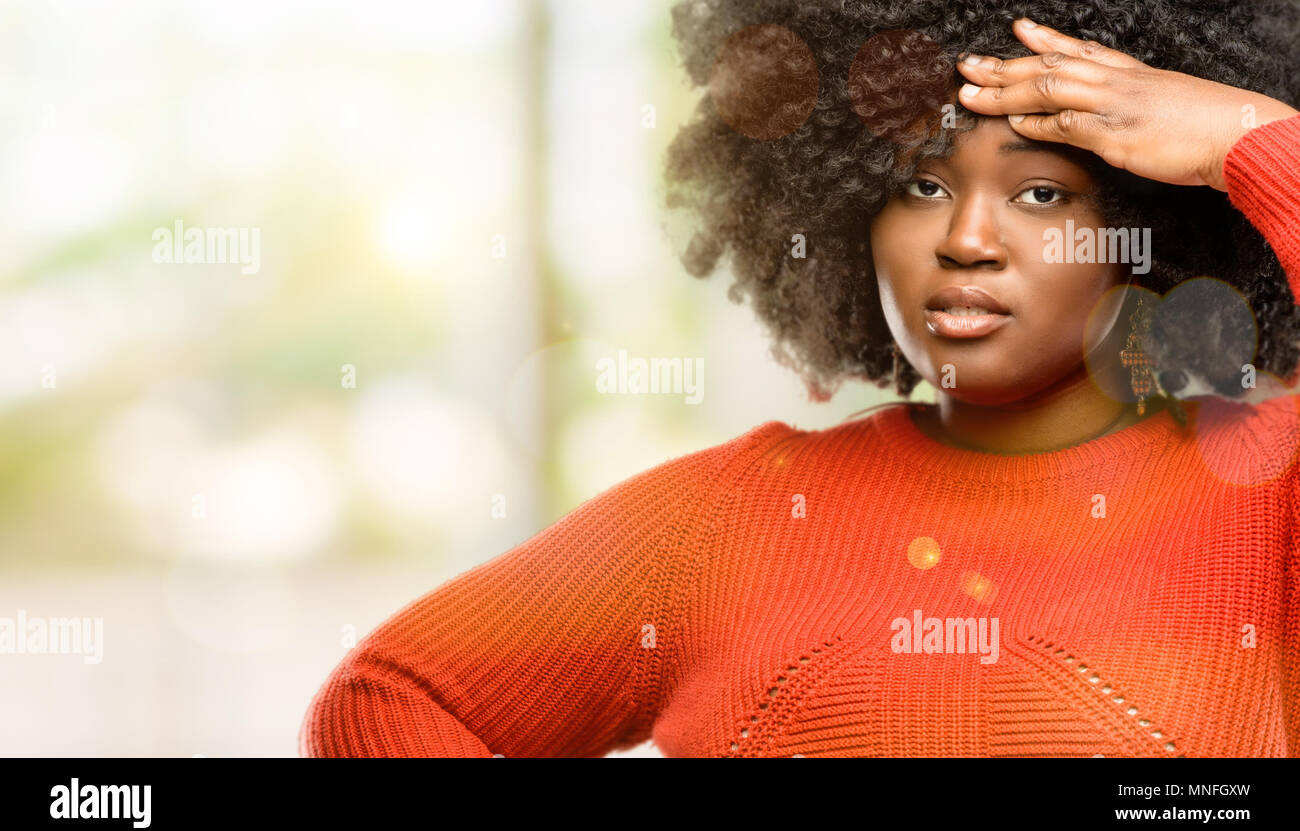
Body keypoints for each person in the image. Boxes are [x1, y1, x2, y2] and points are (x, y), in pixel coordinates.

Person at [300, 1, 1300, 757]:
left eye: (1040, 192)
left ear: (1147, 231)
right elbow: (385, 698)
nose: (964, 239)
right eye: (920, 185)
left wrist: (1245, 139)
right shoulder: (723, 521)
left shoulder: (1270, 488)